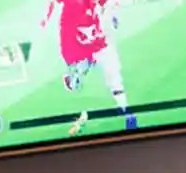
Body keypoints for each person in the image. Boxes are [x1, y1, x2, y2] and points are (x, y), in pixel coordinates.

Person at [41, 0, 135, 132]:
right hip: (81, 48)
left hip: (100, 45)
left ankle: (128, 115)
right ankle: (73, 77)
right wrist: (45, 18)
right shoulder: (72, 7)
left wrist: (113, 15)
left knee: (114, 80)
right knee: (76, 82)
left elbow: (110, 4)